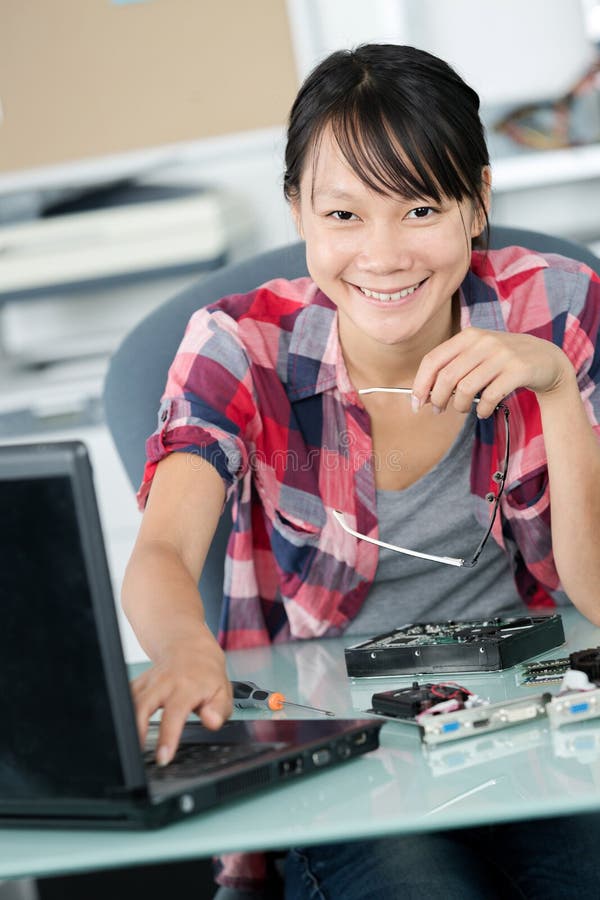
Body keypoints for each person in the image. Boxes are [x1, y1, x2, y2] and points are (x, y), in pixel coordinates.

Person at [123, 44, 600, 899]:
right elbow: (162, 549)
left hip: (544, 732)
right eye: (344, 216)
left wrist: (559, 391)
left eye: (420, 208)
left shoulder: (561, 308)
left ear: (476, 202)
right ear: (299, 210)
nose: (383, 256)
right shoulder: (238, 348)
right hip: (347, 755)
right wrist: (186, 648)